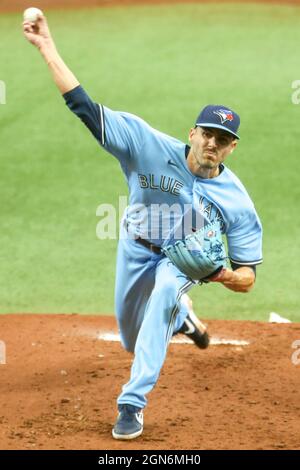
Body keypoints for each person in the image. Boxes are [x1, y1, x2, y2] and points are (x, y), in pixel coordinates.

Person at [23, 14, 263, 441]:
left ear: (232, 147)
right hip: (135, 248)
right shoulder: (145, 143)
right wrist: (46, 47)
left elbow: (249, 276)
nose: (212, 143)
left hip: (180, 267)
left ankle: (131, 404)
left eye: (222, 139)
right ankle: (184, 321)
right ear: (192, 132)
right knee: (132, 340)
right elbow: (83, 106)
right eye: (207, 133)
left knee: (169, 289)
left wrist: (224, 275)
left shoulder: (237, 201)